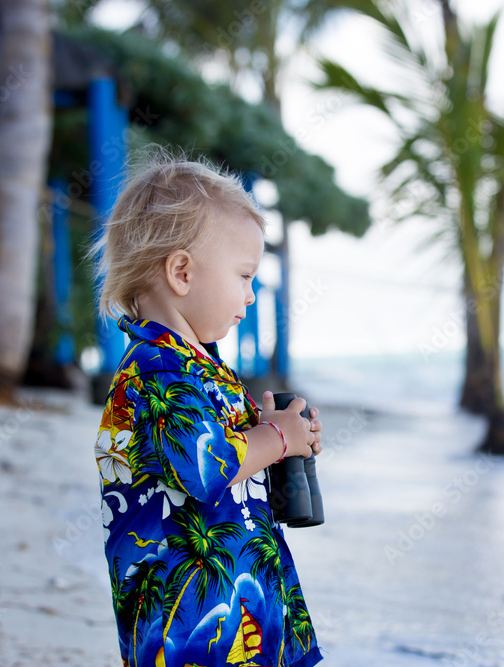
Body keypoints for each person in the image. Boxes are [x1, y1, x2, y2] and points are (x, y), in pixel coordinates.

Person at [86, 146, 324, 667]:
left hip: (238, 601)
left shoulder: (200, 367)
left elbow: (229, 452)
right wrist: (276, 438)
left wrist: (279, 440)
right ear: (182, 273)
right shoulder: (157, 370)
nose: (252, 295)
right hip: (191, 623)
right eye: (244, 276)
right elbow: (202, 468)